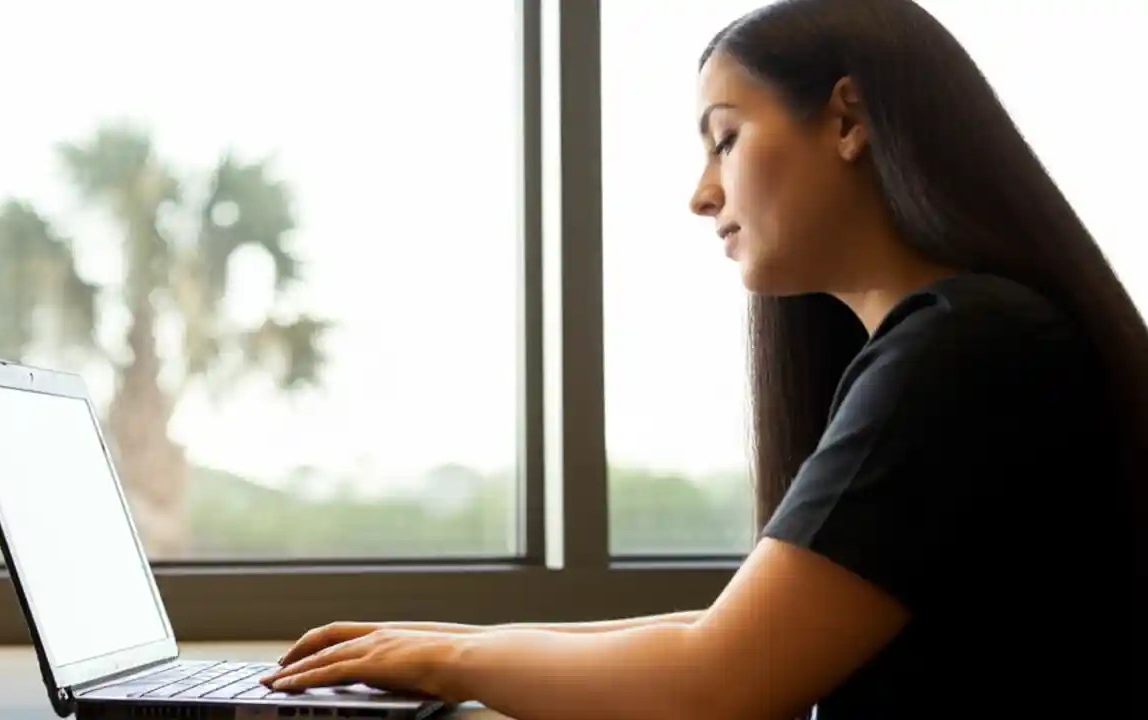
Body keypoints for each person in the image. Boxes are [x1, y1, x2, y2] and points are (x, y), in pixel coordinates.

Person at [261, 0, 1146, 717]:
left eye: (723, 137)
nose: (701, 193)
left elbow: (716, 681)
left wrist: (455, 657)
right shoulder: (977, 335)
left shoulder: (962, 350)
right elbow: (732, 633)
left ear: (847, 119)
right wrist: (447, 643)